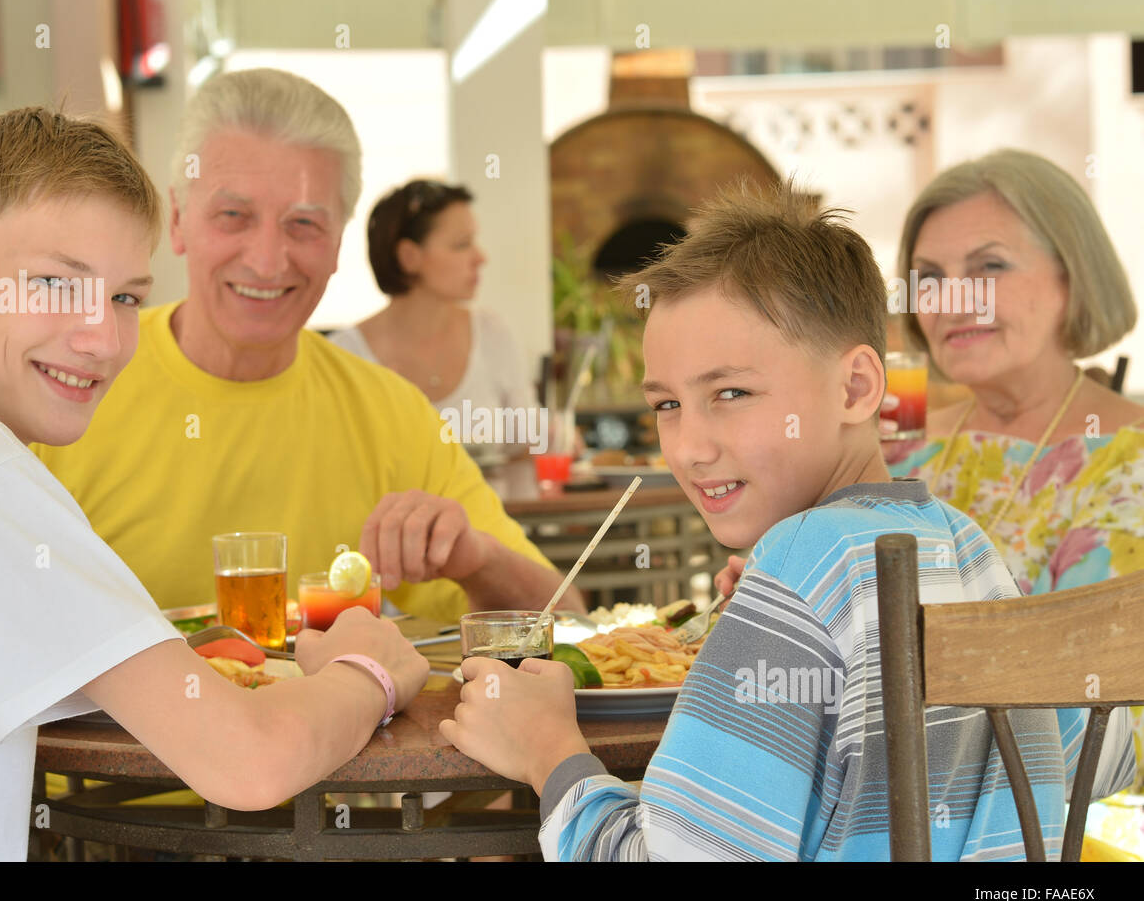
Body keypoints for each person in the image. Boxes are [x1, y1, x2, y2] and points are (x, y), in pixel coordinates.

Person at [439, 182, 1136, 861]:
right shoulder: (966, 543)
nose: (689, 446)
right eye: (667, 405)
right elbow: (1094, 761)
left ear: (856, 387)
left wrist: (551, 751)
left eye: (731, 392)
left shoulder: (802, 560)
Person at [0, 107, 429, 861]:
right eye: (54, 285)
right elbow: (250, 759)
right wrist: (371, 664)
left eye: (125, 297)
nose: (103, 338)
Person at [33, 70, 579, 621]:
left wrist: (475, 558)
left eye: (303, 224)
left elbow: (566, 617)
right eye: (233, 216)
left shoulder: (390, 413)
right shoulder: (68, 379)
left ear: (338, 244)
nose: (268, 261)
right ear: (177, 220)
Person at [877, 148, 1144, 853]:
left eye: (989, 267)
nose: (950, 301)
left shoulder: (1132, 461)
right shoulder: (898, 453)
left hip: (1063, 839)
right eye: (928, 278)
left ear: (1072, 275)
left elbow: (1110, 722)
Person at [329, 180, 538, 447]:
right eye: (462, 245)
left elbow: (529, 440)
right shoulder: (345, 356)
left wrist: (557, 436)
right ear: (409, 257)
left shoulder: (492, 332)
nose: (481, 257)